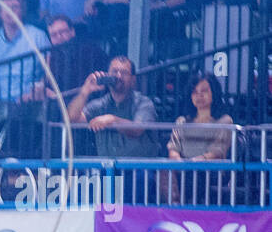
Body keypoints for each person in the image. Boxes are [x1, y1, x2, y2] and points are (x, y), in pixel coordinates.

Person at [68, 56, 160, 159]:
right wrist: (85, 91)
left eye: (124, 73)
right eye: (114, 71)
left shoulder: (143, 103)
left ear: (133, 79)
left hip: (138, 171)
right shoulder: (100, 104)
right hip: (107, 170)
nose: (118, 76)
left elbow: (137, 129)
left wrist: (112, 120)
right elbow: (72, 119)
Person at [166, 72, 233, 202]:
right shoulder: (182, 121)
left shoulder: (224, 121)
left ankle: (186, 212)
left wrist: (192, 163)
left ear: (214, 93)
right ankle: (171, 211)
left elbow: (217, 152)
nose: (199, 96)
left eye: (204, 91)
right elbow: (173, 148)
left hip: (210, 171)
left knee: (192, 175)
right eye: (195, 92)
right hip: (183, 168)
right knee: (162, 172)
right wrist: (180, 162)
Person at [0, 0, 50, 102]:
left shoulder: (38, 36)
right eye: (5, 7)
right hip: (3, 105)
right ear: (0, 13)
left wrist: (38, 89)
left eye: (14, 7)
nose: (9, 11)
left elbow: (49, 72)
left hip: (32, 101)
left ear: (22, 10)